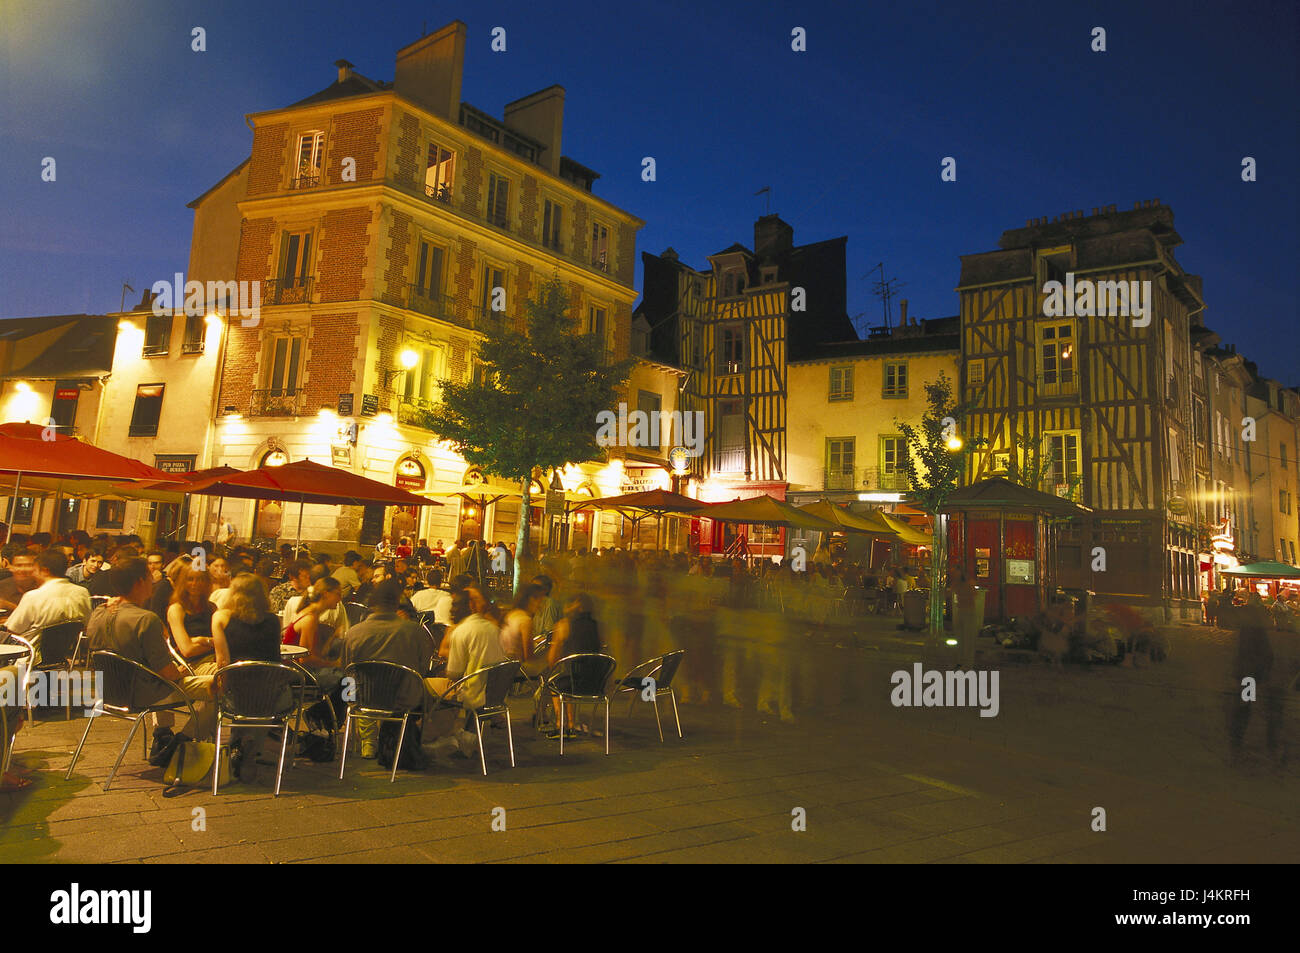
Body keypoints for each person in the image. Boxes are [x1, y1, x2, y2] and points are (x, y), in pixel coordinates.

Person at [85, 558, 214, 762]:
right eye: (149, 576)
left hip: (110, 691)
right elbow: (167, 673)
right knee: (220, 687)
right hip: (145, 693)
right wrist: (178, 671)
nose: (153, 581)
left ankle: (162, 735)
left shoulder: (99, 612)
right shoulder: (146, 620)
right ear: (139, 582)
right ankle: (181, 742)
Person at [341, 578, 438, 761]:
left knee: (355, 685)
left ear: (372, 603)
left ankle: (368, 741)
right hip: (403, 699)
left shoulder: (354, 633)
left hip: (359, 699)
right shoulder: (414, 631)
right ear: (396, 603)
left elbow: (345, 670)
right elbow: (422, 668)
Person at [3, 548, 92, 664]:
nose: (33, 574)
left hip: (28, 659)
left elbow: (13, 629)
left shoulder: (34, 596)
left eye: (35, 570)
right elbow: (85, 623)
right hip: (59, 659)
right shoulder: (82, 593)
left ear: (44, 571)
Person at [543, 592, 603, 737]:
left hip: (573, 681)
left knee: (554, 680)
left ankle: (560, 724)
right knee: (570, 675)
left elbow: (552, 658)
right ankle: (571, 723)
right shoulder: (597, 626)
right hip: (596, 683)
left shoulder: (563, 625)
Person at [283, 577, 344, 687]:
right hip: (295, 672)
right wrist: (334, 664)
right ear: (326, 594)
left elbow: (315, 653)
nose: (340, 599)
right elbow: (305, 660)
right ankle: (339, 704)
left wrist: (332, 638)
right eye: (338, 594)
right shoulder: (309, 618)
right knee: (346, 679)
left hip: (300, 669)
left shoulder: (313, 615)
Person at [212, 574, 281, 666]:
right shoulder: (274, 619)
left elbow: (223, 661)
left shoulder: (220, 618)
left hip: (237, 677)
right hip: (271, 677)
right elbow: (275, 656)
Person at [165, 565, 218, 675]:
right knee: (229, 673)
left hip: (215, 658)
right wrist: (209, 641)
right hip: (192, 666)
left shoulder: (212, 607)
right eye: (190, 579)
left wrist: (197, 640)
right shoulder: (176, 609)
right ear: (183, 582)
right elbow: (187, 650)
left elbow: (225, 640)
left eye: (200, 579)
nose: (195, 584)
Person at [501, 583, 544, 667]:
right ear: (531, 599)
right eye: (540, 600)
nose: (541, 605)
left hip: (505, 666)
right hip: (517, 670)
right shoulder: (525, 621)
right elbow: (529, 657)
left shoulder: (511, 614)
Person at [532, 574, 562, 640]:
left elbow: (549, 633)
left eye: (536, 587)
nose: (532, 589)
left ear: (546, 589)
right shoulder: (536, 603)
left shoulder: (550, 604)